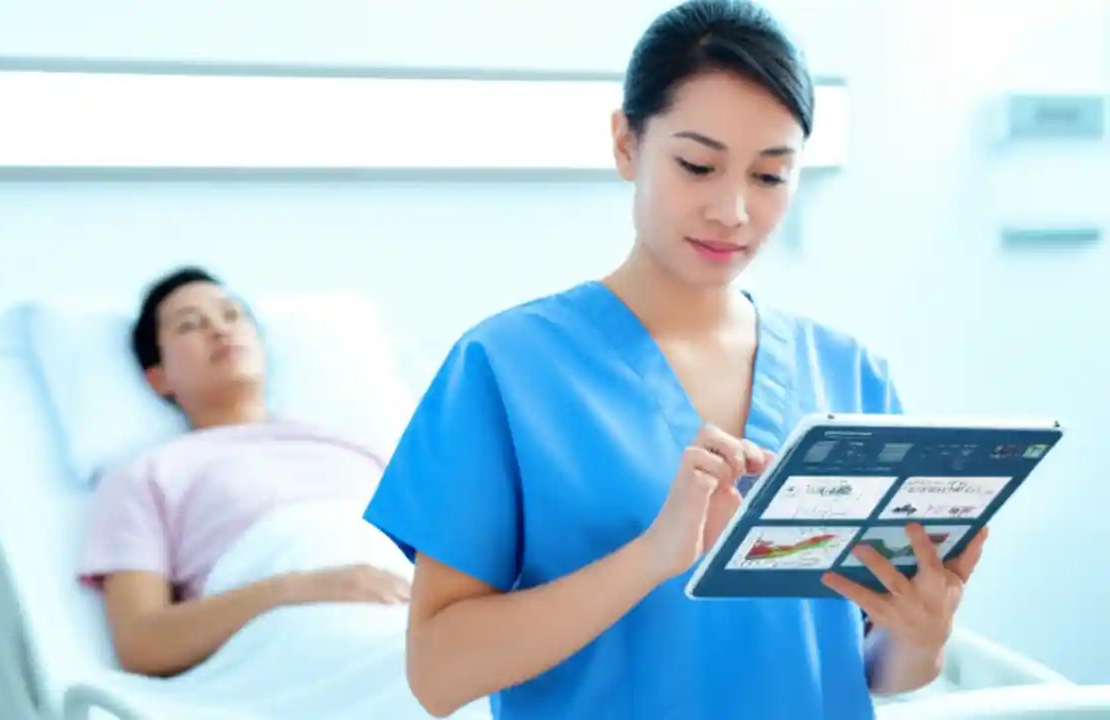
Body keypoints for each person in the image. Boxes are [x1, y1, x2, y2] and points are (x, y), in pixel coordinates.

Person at [361, 2, 988, 719]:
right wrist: (655, 554)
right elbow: (438, 676)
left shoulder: (849, 375)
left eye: (770, 176)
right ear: (626, 144)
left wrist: (923, 633)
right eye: (698, 165)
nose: (732, 210)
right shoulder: (505, 371)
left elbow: (873, 667)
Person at [76, 267, 415, 678]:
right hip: (299, 636)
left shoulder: (357, 448)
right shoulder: (147, 476)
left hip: (412, 614)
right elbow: (142, 641)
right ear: (158, 376)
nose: (220, 331)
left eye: (232, 315)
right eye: (190, 325)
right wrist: (304, 588)